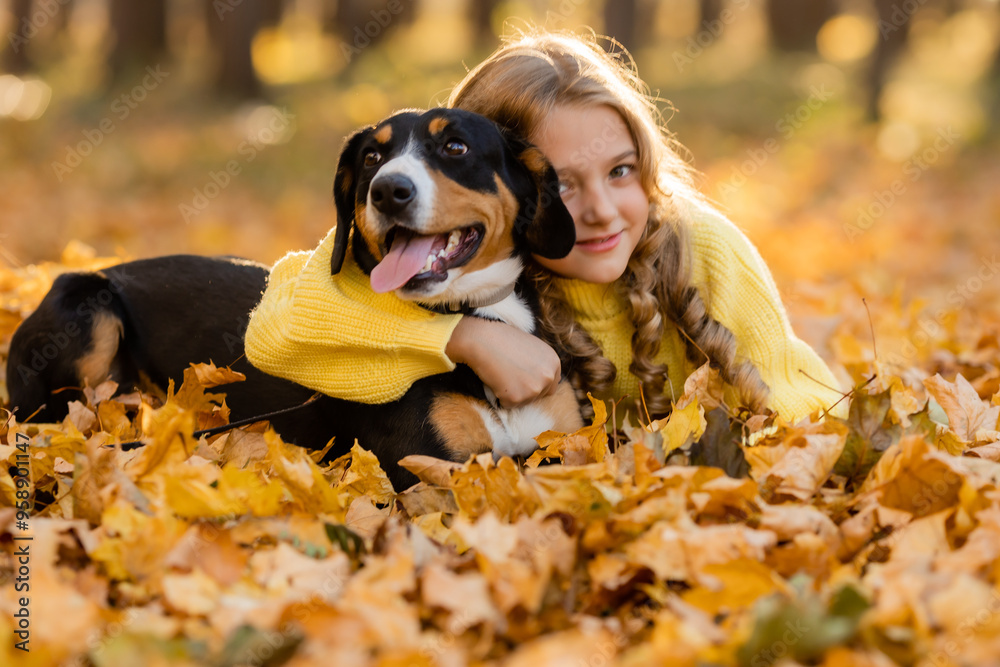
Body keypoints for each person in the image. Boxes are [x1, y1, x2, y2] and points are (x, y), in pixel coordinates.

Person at [244, 30, 846, 431]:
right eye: (562, 183)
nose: (604, 211)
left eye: (621, 171)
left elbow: (796, 397)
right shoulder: (469, 264)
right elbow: (277, 325)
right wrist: (464, 340)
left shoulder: (702, 247)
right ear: (514, 186)